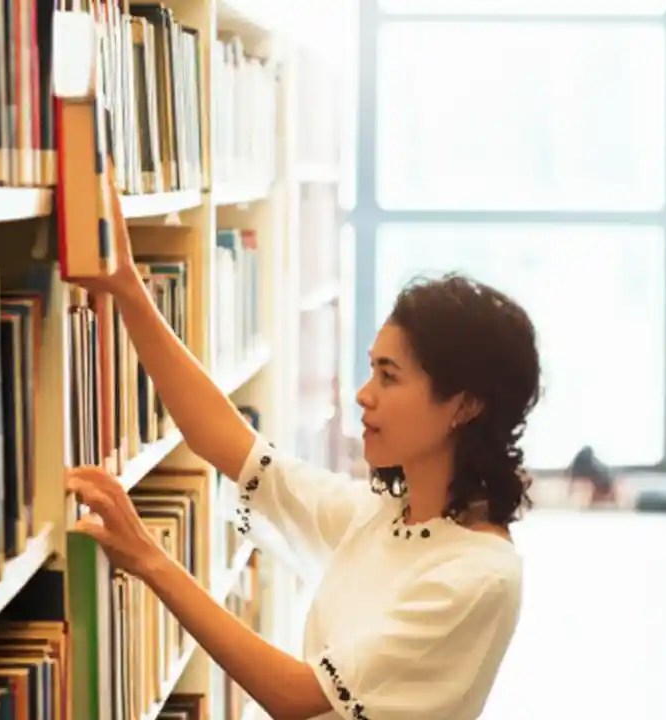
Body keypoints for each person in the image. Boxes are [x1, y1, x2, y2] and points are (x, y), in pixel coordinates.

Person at [66, 176, 541, 720]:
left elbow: (295, 694)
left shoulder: (478, 577)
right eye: (371, 369)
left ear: (464, 405)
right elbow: (227, 442)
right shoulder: (381, 518)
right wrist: (127, 287)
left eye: (389, 376)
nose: (364, 395)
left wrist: (149, 558)